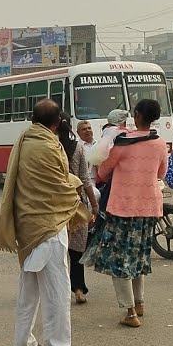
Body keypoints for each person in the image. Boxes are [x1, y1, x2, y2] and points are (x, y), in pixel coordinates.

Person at [0, 100, 91, 346]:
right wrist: (78, 188)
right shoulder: (50, 146)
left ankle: (23, 342)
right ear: (58, 123)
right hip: (49, 227)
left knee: (29, 290)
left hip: (27, 225)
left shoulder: (25, 139)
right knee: (57, 291)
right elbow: (61, 186)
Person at [84, 99, 168, 328]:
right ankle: (139, 303)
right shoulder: (160, 142)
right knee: (139, 255)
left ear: (137, 115)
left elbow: (102, 172)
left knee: (119, 259)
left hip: (122, 208)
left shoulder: (122, 143)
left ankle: (130, 312)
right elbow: (162, 173)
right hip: (148, 208)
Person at [67, 120, 99, 303]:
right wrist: (93, 205)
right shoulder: (77, 147)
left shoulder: (45, 147)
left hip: (50, 206)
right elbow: (84, 179)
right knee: (75, 250)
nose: (88, 131)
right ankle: (78, 288)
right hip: (75, 202)